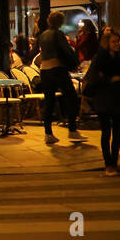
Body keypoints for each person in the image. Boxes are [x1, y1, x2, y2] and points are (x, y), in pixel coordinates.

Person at [84, 28, 120, 175]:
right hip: (104, 98)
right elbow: (94, 77)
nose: (116, 44)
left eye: (118, 41)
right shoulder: (100, 57)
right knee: (106, 132)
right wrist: (109, 79)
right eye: (113, 41)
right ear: (107, 43)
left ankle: (115, 161)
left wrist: (113, 78)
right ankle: (108, 164)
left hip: (119, 98)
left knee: (117, 132)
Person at [37, 11, 82, 145]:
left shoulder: (43, 34)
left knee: (49, 101)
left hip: (44, 70)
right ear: (60, 22)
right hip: (57, 68)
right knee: (71, 97)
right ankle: (72, 129)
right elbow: (66, 50)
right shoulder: (58, 33)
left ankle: (48, 133)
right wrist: (75, 62)